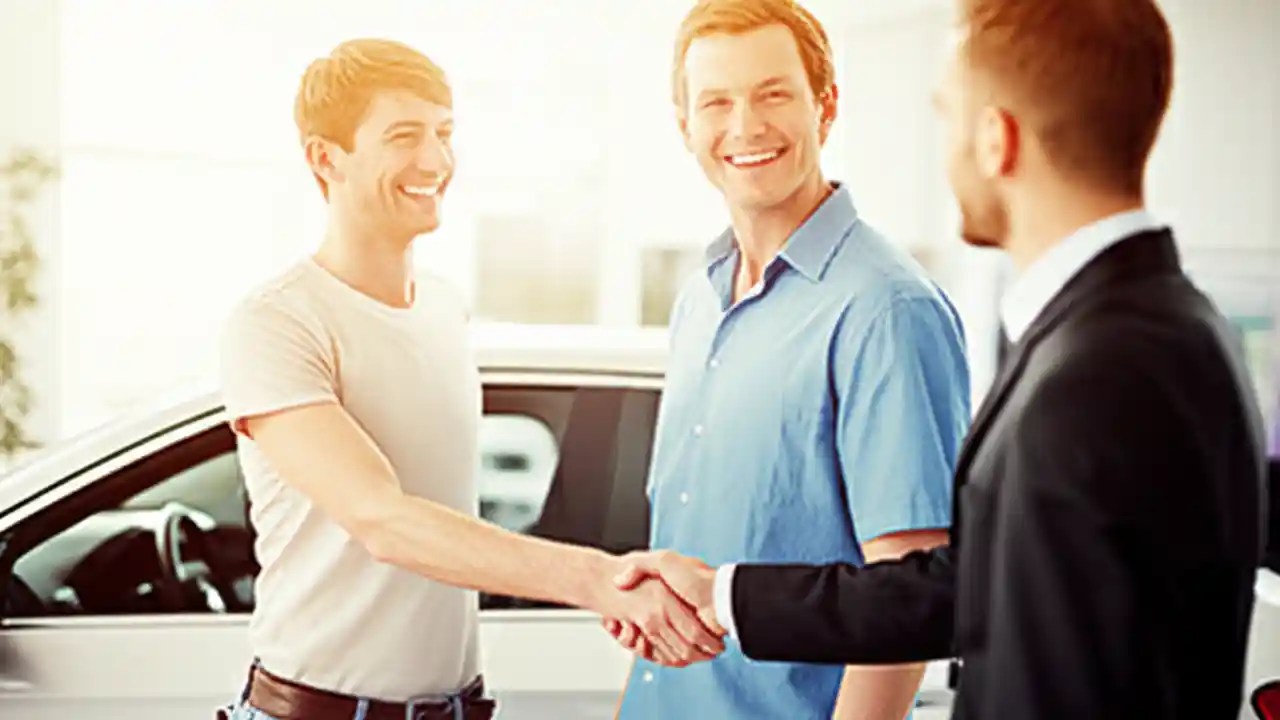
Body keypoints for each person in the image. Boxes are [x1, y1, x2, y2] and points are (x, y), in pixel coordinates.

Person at [611, 0, 1270, 718]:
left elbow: (963, 610)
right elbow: (965, 593)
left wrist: (726, 595)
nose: (942, 151)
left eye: (947, 115)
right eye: (716, 101)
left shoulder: (1102, 364)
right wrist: (722, 595)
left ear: (994, 139)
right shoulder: (1134, 333)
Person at [216, 38, 722, 720]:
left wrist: (626, 589)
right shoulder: (277, 321)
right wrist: (602, 580)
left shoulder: (444, 307)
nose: (435, 160)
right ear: (325, 158)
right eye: (404, 136)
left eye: (444, 133)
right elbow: (383, 520)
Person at [604, 2, 972, 718]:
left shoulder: (887, 310)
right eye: (717, 102)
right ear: (685, 126)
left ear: (825, 107)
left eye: (773, 94)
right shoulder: (698, 301)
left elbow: (908, 603)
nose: (745, 127)